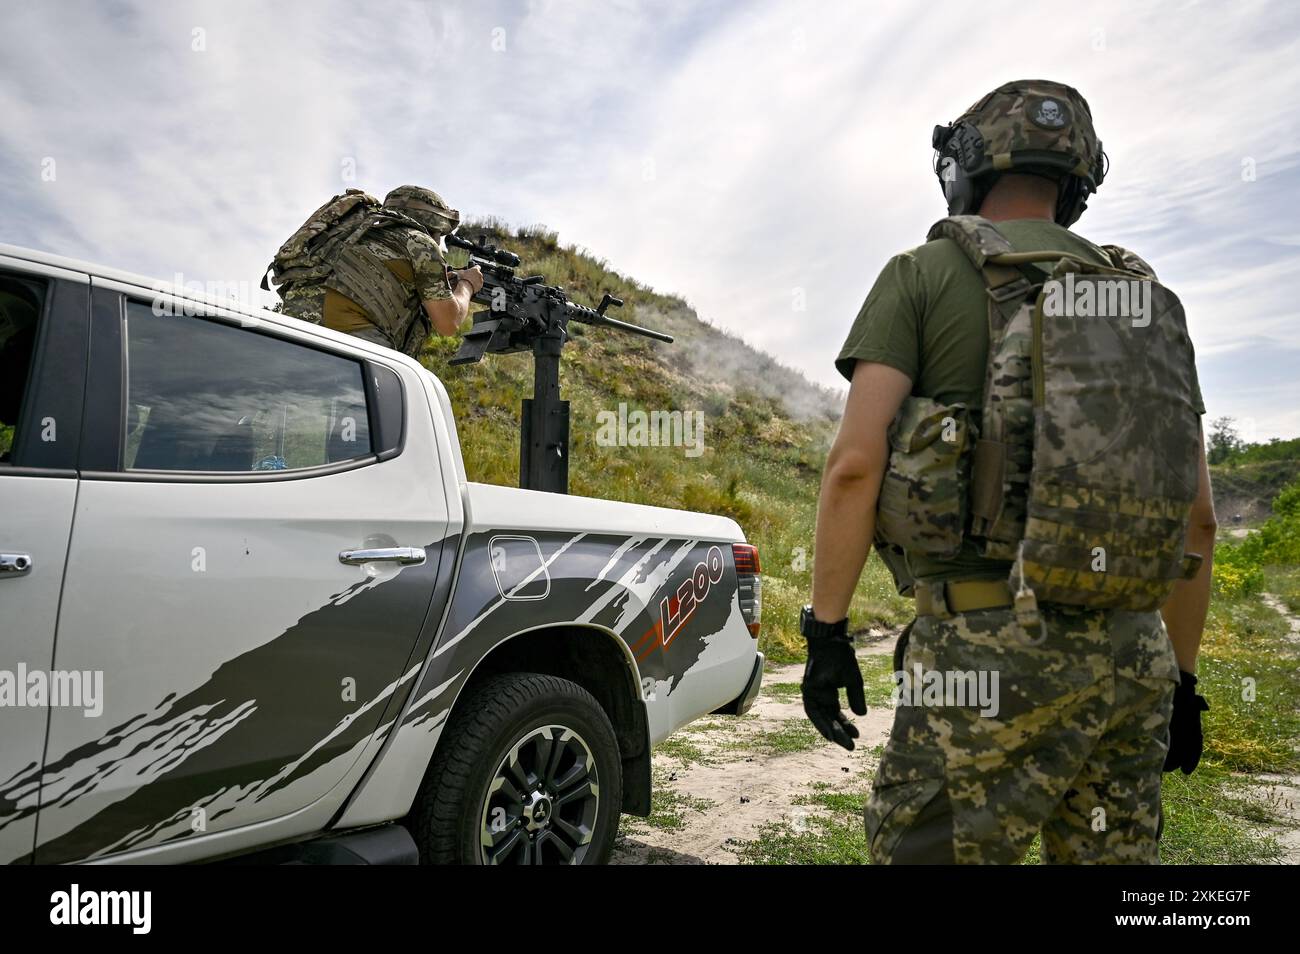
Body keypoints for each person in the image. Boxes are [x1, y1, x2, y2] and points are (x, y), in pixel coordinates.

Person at [800, 79, 1216, 864]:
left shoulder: (922, 274)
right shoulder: (1146, 300)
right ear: (1079, 181)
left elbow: (855, 467)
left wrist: (826, 631)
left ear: (966, 167)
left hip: (981, 646)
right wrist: (1182, 681)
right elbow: (1198, 518)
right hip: (1134, 657)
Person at [273, 185, 483, 356]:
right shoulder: (420, 242)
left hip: (290, 325)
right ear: (434, 225)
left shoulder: (355, 229)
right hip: (347, 334)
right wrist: (467, 284)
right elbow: (448, 323)